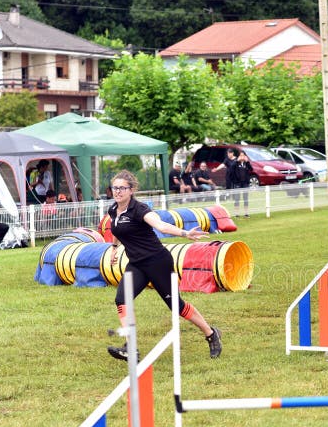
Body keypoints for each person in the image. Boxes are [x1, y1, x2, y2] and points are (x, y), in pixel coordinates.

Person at [106, 170, 222, 360]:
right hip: (136, 264)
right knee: (122, 300)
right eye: (115, 188)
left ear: (131, 190)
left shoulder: (140, 209)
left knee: (176, 306)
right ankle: (130, 347)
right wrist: (113, 248)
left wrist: (185, 234)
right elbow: (118, 230)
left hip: (157, 262)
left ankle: (211, 333)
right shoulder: (113, 209)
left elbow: (161, 226)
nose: (118, 192)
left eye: (122, 188)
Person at [226, 150, 252, 217]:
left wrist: (247, 161)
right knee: (237, 198)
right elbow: (231, 169)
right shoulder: (236, 163)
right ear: (238, 156)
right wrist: (237, 161)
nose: (242, 157)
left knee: (245, 198)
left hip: (245, 183)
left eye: (243, 155)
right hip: (237, 183)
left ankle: (246, 213)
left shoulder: (246, 163)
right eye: (241, 155)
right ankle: (236, 214)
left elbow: (251, 169)